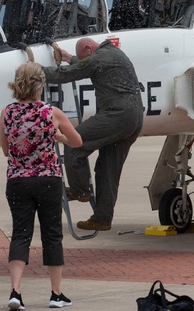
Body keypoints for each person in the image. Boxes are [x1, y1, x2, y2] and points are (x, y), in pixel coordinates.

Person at [0, 62, 82, 310]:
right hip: (48, 179)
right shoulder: (51, 112)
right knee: (52, 234)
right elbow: (77, 141)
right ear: (40, 85)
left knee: (20, 234)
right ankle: (56, 294)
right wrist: (57, 136)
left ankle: (15, 291)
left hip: (17, 180)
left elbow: (6, 150)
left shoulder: (7, 113)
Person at [43, 37, 144, 231]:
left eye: (83, 57)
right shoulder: (113, 53)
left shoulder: (99, 58)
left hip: (116, 115)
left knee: (73, 143)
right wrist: (70, 58)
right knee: (108, 170)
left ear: (89, 49)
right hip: (134, 119)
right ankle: (102, 219)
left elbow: (69, 73)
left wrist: (37, 71)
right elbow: (86, 64)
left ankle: (80, 191)